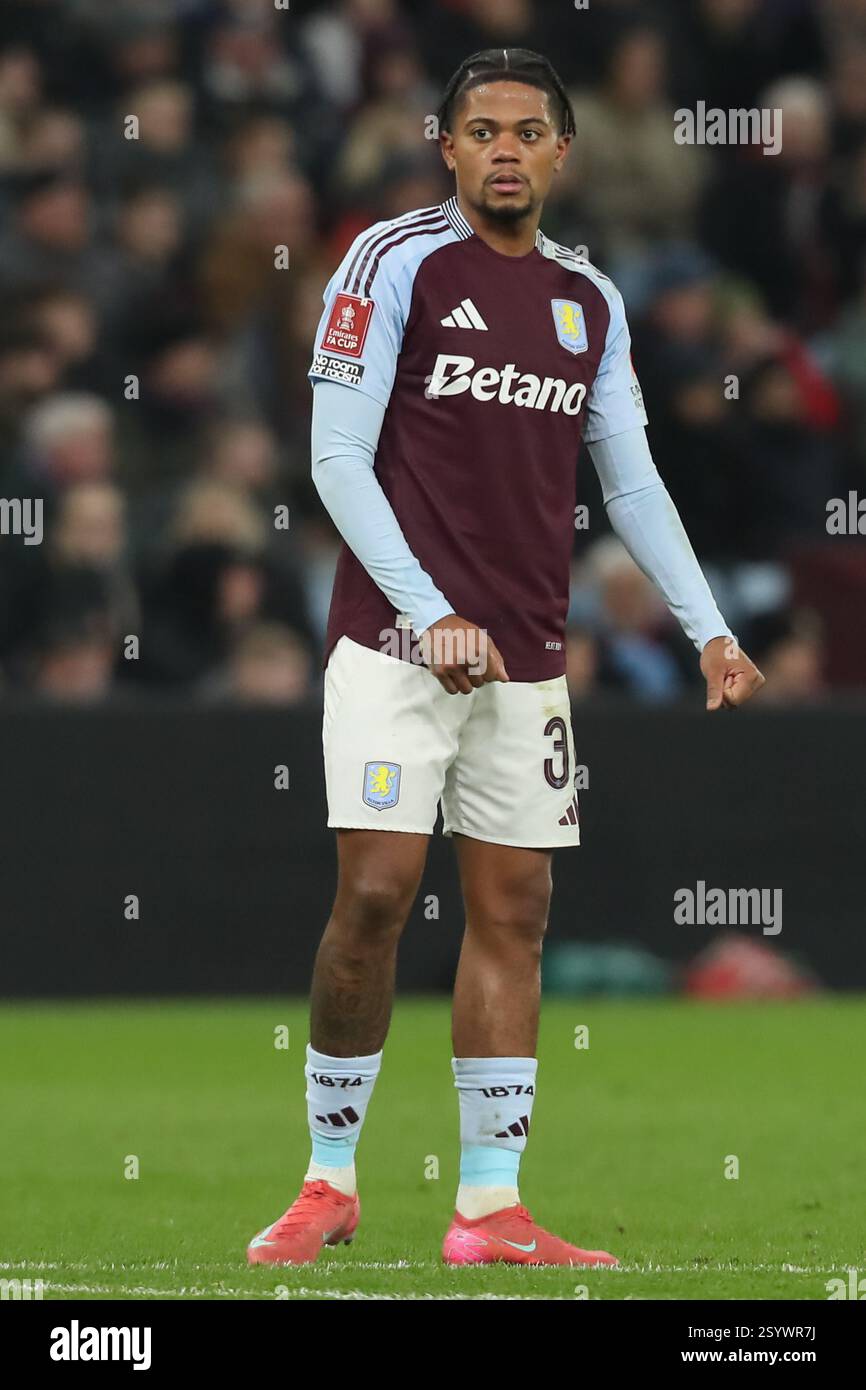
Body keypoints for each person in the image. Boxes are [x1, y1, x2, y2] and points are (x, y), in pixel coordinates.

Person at [247, 47, 764, 1270]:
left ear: (560, 152)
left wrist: (709, 628)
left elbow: (628, 478)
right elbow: (334, 458)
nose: (504, 149)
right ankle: (327, 1178)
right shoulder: (391, 261)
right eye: (481, 129)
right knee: (373, 893)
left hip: (527, 654)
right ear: (447, 145)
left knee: (515, 912)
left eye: (528, 131)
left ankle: (488, 1207)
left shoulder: (589, 298)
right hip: (392, 643)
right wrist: (427, 609)